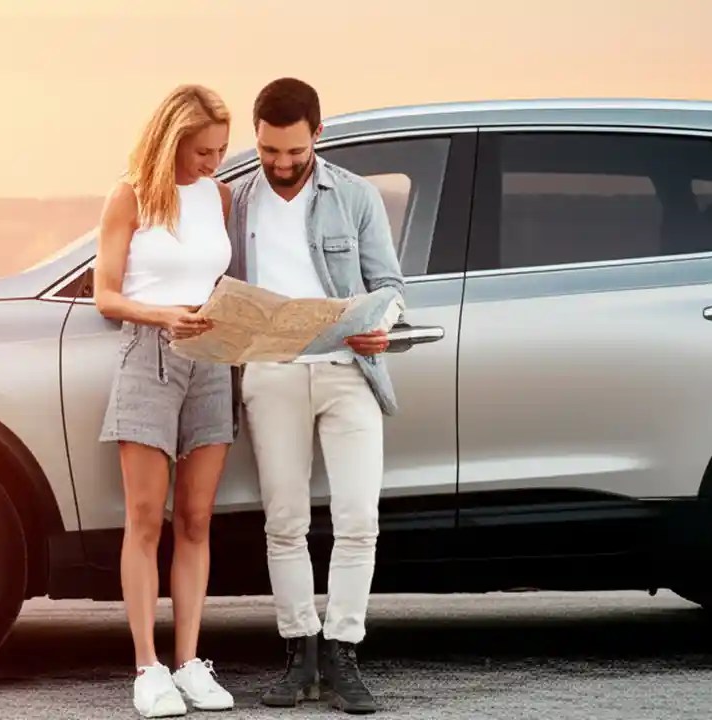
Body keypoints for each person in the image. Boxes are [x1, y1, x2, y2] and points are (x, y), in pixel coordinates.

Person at [226, 77, 404, 715]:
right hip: (271, 373)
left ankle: (343, 652)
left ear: (318, 135)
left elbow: (389, 284)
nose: (281, 164)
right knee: (284, 521)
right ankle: (299, 654)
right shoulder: (235, 202)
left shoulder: (355, 196)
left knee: (358, 519)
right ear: (256, 136)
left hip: (348, 371)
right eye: (269, 150)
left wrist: (383, 324)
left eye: (294, 152)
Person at [94, 83, 238, 718]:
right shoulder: (130, 196)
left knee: (197, 519)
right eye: (204, 151)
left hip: (211, 358)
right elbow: (105, 295)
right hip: (149, 354)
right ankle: (147, 668)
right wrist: (162, 315)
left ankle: (189, 663)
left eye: (221, 150)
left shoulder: (220, 196)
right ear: (173, 140)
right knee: (146, 519)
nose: (214, 162)